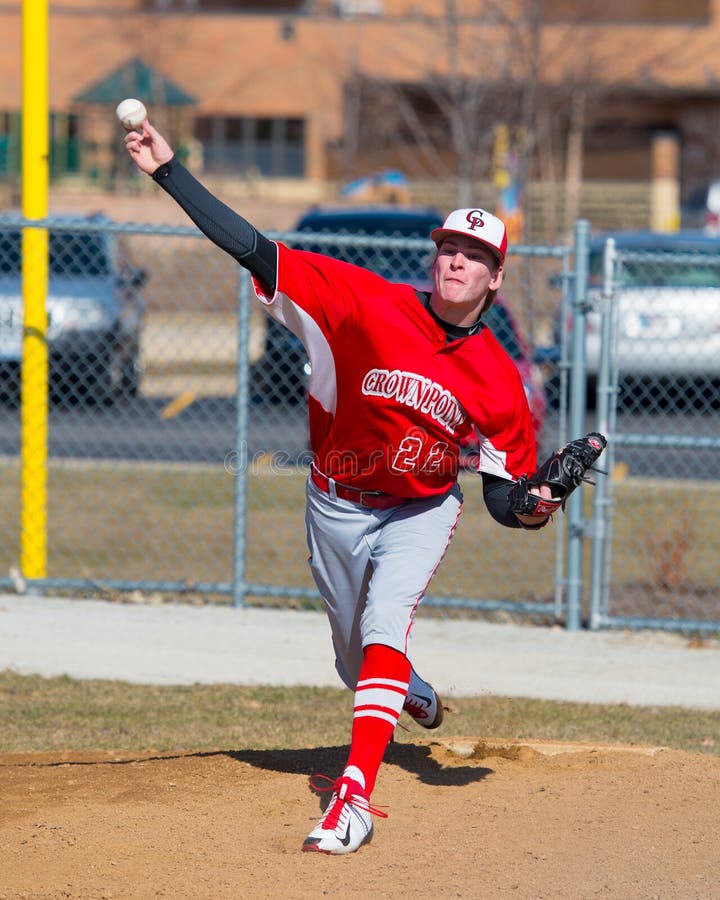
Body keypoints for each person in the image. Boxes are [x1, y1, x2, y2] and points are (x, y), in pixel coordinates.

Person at [123, 121, 605, 855]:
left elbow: (506, 500)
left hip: (423, 507)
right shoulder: (362, 302)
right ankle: (407, 690)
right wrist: (168, 173)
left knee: (385, 625)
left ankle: (353, 800)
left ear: (496, 276)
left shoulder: (500, 381)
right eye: (449, 247)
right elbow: (252, 246)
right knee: (356, 663)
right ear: (434, 254)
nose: (457, 261)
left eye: (475, 255)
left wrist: (538, 506)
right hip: (336, 504)